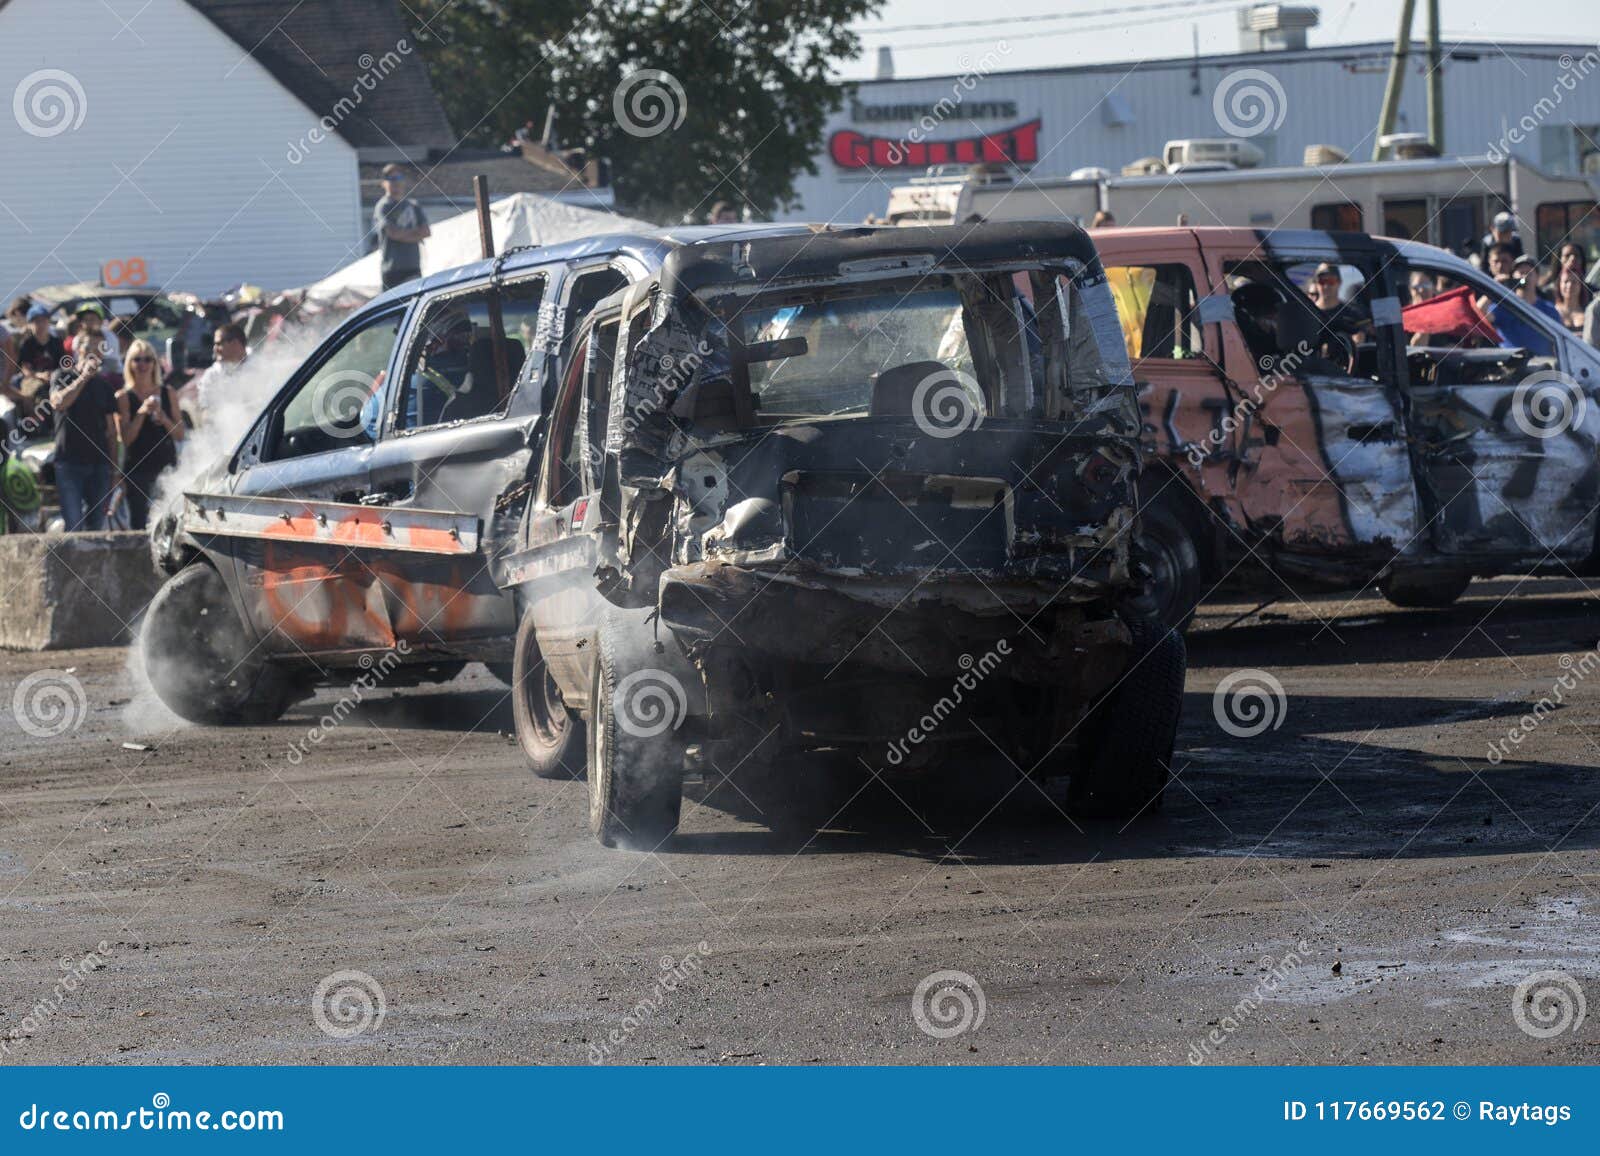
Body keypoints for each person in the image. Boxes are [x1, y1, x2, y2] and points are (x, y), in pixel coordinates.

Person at [113, 339, 184, 530]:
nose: (143, 364)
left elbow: (179, 434)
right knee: (138, 522)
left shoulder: (168, 393)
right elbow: (125, 438)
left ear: (155, 363)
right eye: (137, 360)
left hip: (165, 464)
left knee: (169, 520)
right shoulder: (123, 397)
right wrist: (142, 413)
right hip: (137, 468)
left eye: (148, 359)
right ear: (130, 364)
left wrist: (163, 417)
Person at [48, 343, 119, 531]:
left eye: (97, 353)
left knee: (96, 526)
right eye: (88, 352)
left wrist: (114, 470)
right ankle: (70, 561)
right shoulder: (61, 376)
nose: (92, 357)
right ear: (77, 352)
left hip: (99, 465)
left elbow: (111, 431)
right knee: (73, 525)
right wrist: (84, 377)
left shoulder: (104, 386)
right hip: (69, 464)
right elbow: (58, 403)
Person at [372, 163, 430, 291]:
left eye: (399, 178)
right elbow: (392, 233)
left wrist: (404, 234)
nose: (396, 182)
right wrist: (415, 235)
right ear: (384, 183)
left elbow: (426, 232)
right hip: (393, 270)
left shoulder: (413, 205)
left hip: (413, 267)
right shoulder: (383, 206)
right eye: (392, 179)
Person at [179, 323, 248, 426]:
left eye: (219, 344)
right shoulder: (212, 375)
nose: (215, 349)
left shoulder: (260, 366)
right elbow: (207, 413)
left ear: (235, 343)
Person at [1491, 268, 1562, 356]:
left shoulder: (1548, 309)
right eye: (1521, 272)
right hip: (1510, 364)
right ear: (1513, 277)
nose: (1524, 277)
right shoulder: (1504, 306)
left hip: (1541, 365)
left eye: (1529, 273)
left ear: (1537, 278)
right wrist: (1493, 287)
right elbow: (1479, 317)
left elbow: (1559, 342)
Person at [70, 301, 122, 374]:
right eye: (85, 319)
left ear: (101, 321)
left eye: (92, 319)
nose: (88, 322)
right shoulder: (77, 339)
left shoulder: (110, 338)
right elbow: (77, 363)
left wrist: (90, 372)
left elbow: (111, 366)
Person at [1551, 242, 1592, 330]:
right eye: (1567, 255)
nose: (1572, 259)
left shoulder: (1593, 297)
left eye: (1576, 255)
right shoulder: (1547, 299)